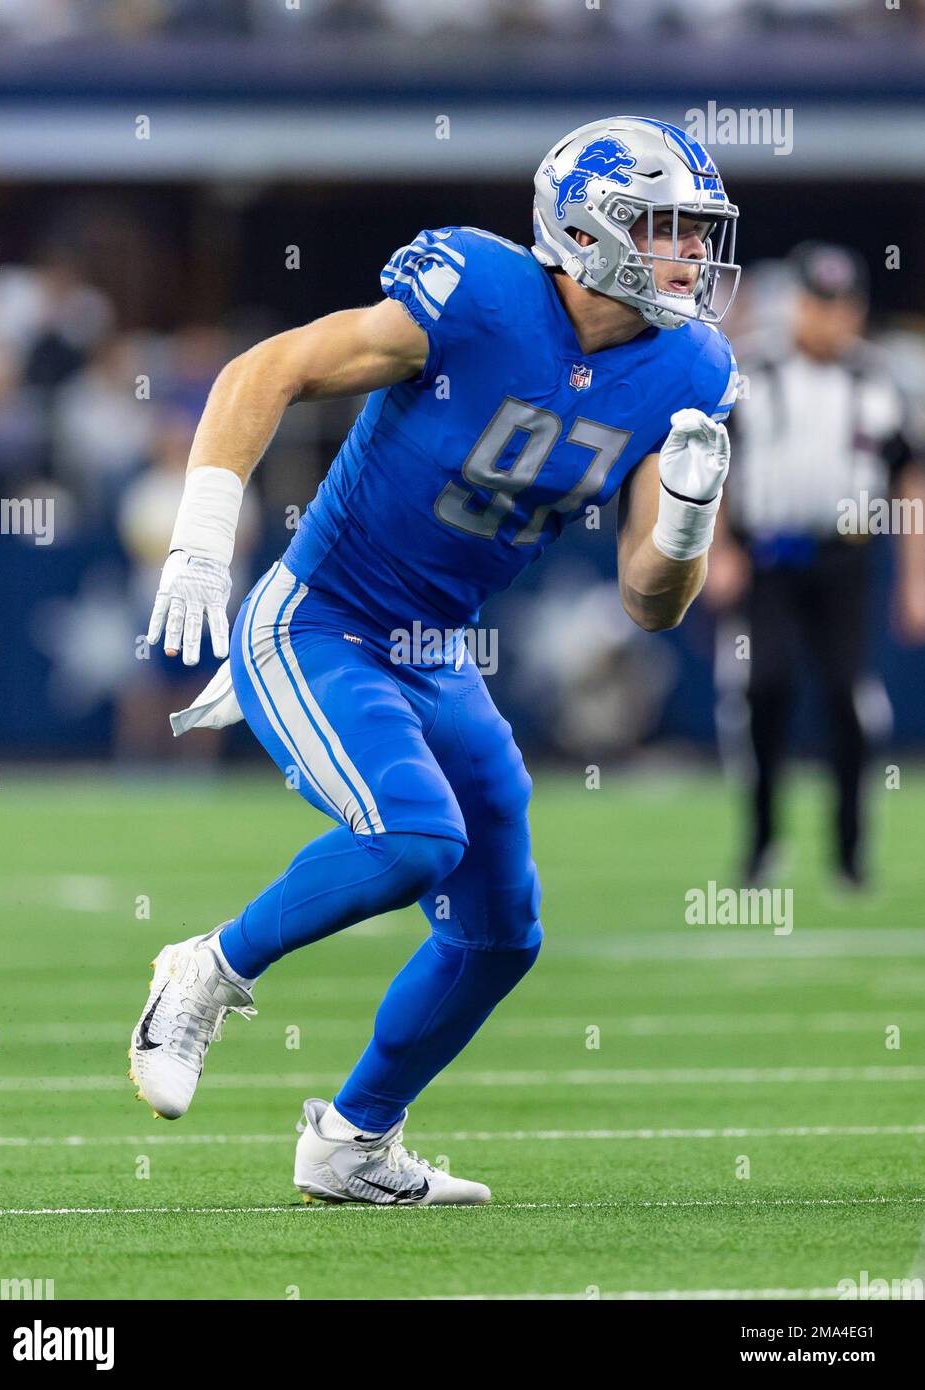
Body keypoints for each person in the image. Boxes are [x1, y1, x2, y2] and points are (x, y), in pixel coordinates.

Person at [129, 116, 740, 1205]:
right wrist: (198, 542)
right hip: (320, 623)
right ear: (586, 229)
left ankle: (353, 1141)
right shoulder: (475, 295)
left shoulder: (689, 365)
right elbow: (264, 370)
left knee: (503, 935)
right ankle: (207, 968)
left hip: (437, 653)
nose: (692, 255)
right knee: (415, 836)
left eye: (699, 232)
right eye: (666, 229)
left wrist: (687, 522)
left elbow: (649, 601)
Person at [705, 242, 925, 887]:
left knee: (847, 700)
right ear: (794, 304)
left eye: (843, 305)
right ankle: (764, 840)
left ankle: (850, 851)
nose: (831, 318)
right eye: (818, 303)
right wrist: (717, 554)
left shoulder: (878, 380)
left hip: (845, 557)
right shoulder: (751, 374)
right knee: (763, 689)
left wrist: (915, 579)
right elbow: (713, 470)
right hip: (769, 557)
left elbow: (908, 480)